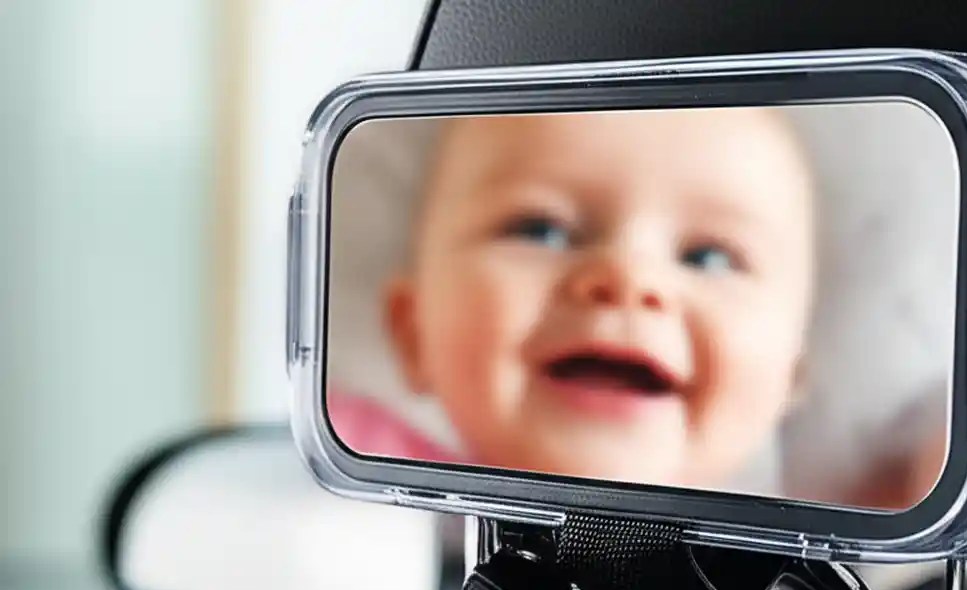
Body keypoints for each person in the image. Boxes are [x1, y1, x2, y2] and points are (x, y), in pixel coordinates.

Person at [328, 107, 817, 491]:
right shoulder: (350, 484)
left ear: (790, 377)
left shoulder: (830, 588)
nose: (629, 277)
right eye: (542, 230)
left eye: (708, 258)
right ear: (413, 333)